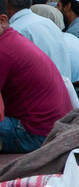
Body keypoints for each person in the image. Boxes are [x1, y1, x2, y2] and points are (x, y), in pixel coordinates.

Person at [0, 10, 72, 152]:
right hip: (52, 128)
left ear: (2, 21)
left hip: (34, 135)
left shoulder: (4, 49)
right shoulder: (13, 38)